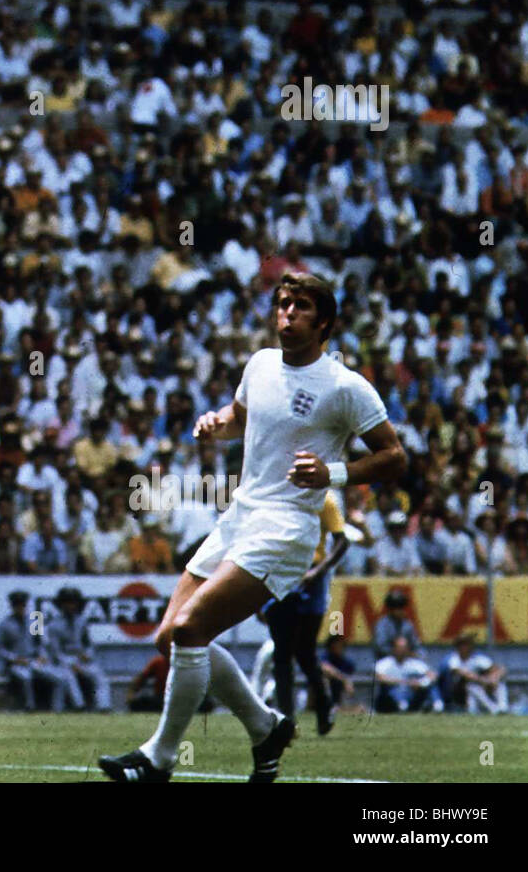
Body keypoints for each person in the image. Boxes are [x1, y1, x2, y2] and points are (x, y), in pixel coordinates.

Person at [99, 272, 406, 783]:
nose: (287, 313)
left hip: (285, 527)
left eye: (301, 306)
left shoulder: (345, 387)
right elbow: (240, 416)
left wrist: (333, 474)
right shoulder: (260, 364)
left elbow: (395, 457)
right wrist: (216, 423)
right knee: (169, 639)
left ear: (323, 321)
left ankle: (159, 758)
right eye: (283, 304)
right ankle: (265, 727)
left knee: (191, 629)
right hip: (239, 514)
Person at [264, 487, 349, 735]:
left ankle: (323, 704)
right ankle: (286, 719)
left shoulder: (325, 500)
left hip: (312, 574)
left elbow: (342, 541)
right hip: (282, 572)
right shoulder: (279, 497)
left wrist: (319, 571)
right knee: (282, 651)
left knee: (304, 650)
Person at [0, 590, 71, 712]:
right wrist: (15, 658)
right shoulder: (5, 624)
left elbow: (40, 643)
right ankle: (30, 708)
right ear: (12, 606)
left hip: (33, 661)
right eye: (17, 605)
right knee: (26, 678)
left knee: (59, 678)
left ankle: (58, 709)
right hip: (16, 664)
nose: (20, 608)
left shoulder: (33, 621)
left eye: (22, 605)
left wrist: (42, 655)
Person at [46, 586, 111, 711]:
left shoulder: (81, 621)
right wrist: (70, 664)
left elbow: (89, 644)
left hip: (81, 659)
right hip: (64, 661)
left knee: (99, 675)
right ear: (61, 605)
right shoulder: (54, 625)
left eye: (73, 602)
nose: (71, 606)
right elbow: (55, 652)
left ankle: (104, 707)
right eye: (67, 602)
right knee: (69, 676)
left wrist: (88, 655)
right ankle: (79, 706)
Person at [438, 633, 508, 715]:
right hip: (457, 694)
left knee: (500, 684)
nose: (466, 646)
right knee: (471, 686)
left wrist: (494, 678)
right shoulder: (452, 659)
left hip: (476, 691)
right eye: (463, 644)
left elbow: (501, 669)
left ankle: (503, 708)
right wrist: (485, 681)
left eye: (468, 643)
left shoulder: (477, 657)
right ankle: (494, 709)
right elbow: (465, 675)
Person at [374, 634, 441, 713]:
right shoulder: (384, 663)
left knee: (431, 686)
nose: (402, 650)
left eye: (404, 647)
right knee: (395, 690)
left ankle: (437, 704)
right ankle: (402, 705)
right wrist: (405, 682)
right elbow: (380, 677)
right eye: (399, 647)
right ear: (393, 649)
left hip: (414, 693)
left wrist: (420, 683)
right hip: (393, 694)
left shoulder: (414, 663)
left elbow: (432, 675)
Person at [372, 588, 420, 658]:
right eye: (396, 607)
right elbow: (381, 647)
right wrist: (398, 652)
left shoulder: (407, 625)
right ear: (390, 609)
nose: (400, 610)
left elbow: (416, 645)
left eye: (401, 607)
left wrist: (419, 654)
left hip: (406, 660)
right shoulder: (382, 625)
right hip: (386, 660)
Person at [319, 636, 356, 710]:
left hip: (338, 693)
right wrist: (344, 680)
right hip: (320, 694)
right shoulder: (324, 657)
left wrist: (346, 681)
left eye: (340, 645)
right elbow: (325, 668)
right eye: (335, 644)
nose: (338, 647)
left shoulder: (346, 663)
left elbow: (350, 679)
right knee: (323, 679)